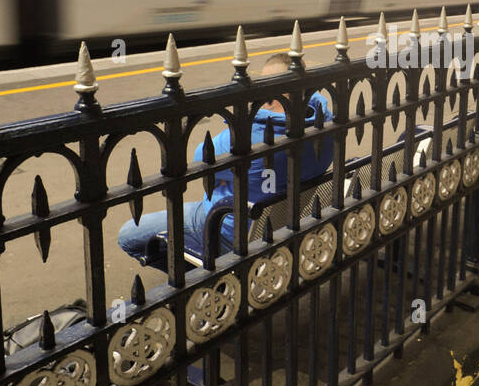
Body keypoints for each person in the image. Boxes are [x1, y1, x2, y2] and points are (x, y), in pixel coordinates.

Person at [118, 53, 333, 267]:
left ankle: (202, 276)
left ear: (273, 95)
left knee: (128, 235)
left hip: (224, 225)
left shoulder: (250, 137)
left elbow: (199, 161)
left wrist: (228, 177)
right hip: (281, 226)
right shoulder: (325, 125)